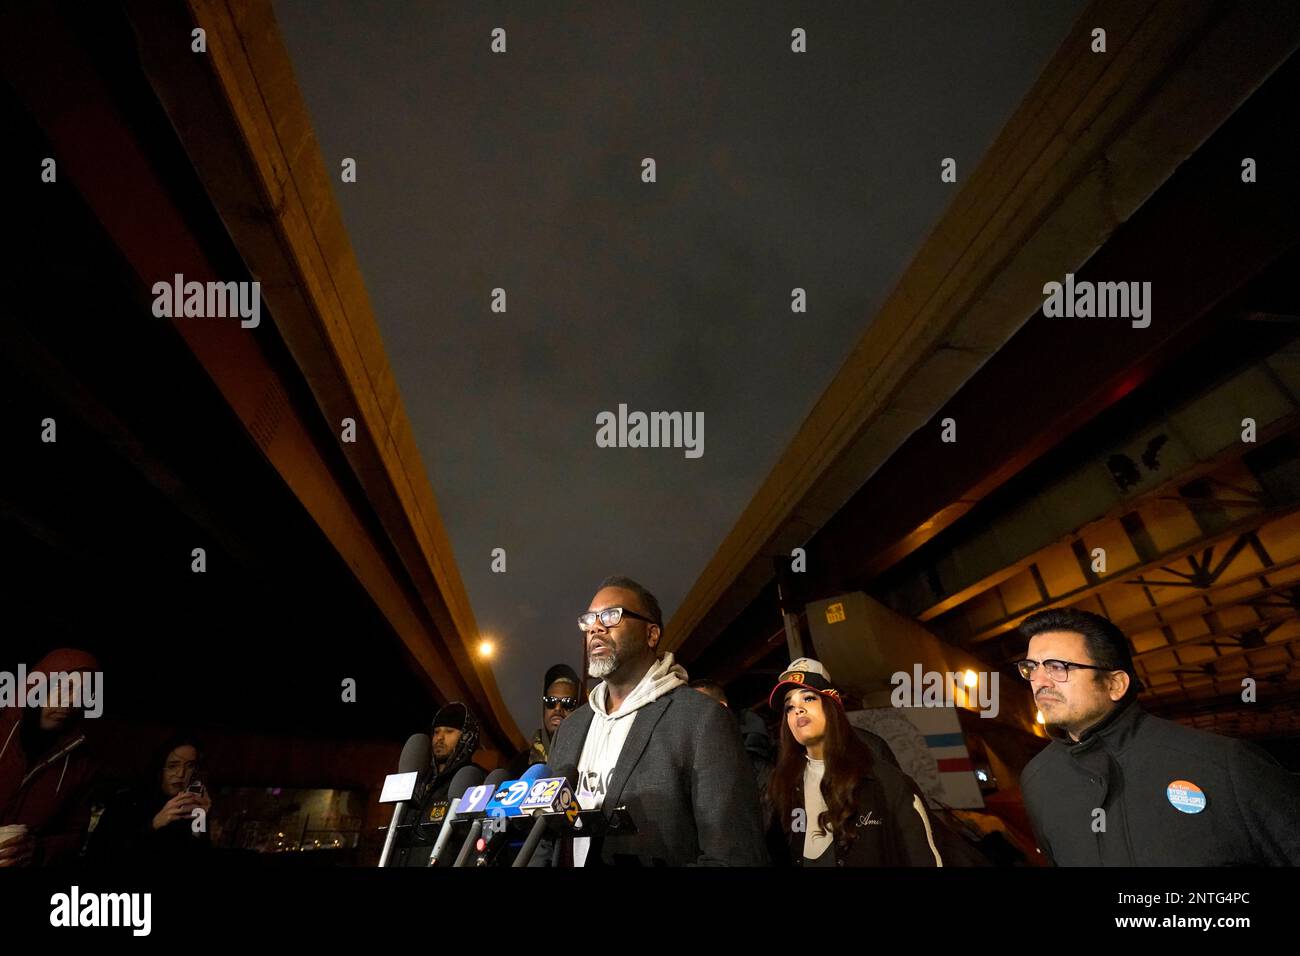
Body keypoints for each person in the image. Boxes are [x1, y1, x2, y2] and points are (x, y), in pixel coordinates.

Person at [1016, 607, 1300, 865]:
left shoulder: (1226, 765)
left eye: (1057, 667)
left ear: (1115, 684)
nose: (1039, 682)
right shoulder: (1036, 780)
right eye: (1031, 668)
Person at [536, 576, 766, 866]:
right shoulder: (570, 730)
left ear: (651, 634)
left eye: (611, 615)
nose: (596, 627)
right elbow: (546, 840)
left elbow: (736, 855)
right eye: (589, 619)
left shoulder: (702, 720)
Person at [769, 658, 943, 867]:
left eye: (808, 698)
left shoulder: (882, 779)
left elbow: (921, 857)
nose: (797, 710)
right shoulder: (783, 784)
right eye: (789, 707)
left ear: (832, 705)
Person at [0, 648, 101, 867]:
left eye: (83, 693)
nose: (70, 702)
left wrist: (38, 850)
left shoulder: (82, 762)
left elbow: (75, 836)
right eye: (65, 688)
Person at [88, 734, 213, 865]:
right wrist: (154, 824)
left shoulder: (190, 804)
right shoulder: (127, 800)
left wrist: (199, 821)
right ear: (160, 767)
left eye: (190, 766)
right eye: (172, 766)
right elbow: (101, 854)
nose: (181, 774)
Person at [506, 664, 581, 779]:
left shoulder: (586, 757)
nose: (558, 709)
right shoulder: (520, 764)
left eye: (568, 703)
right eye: (551, 701)